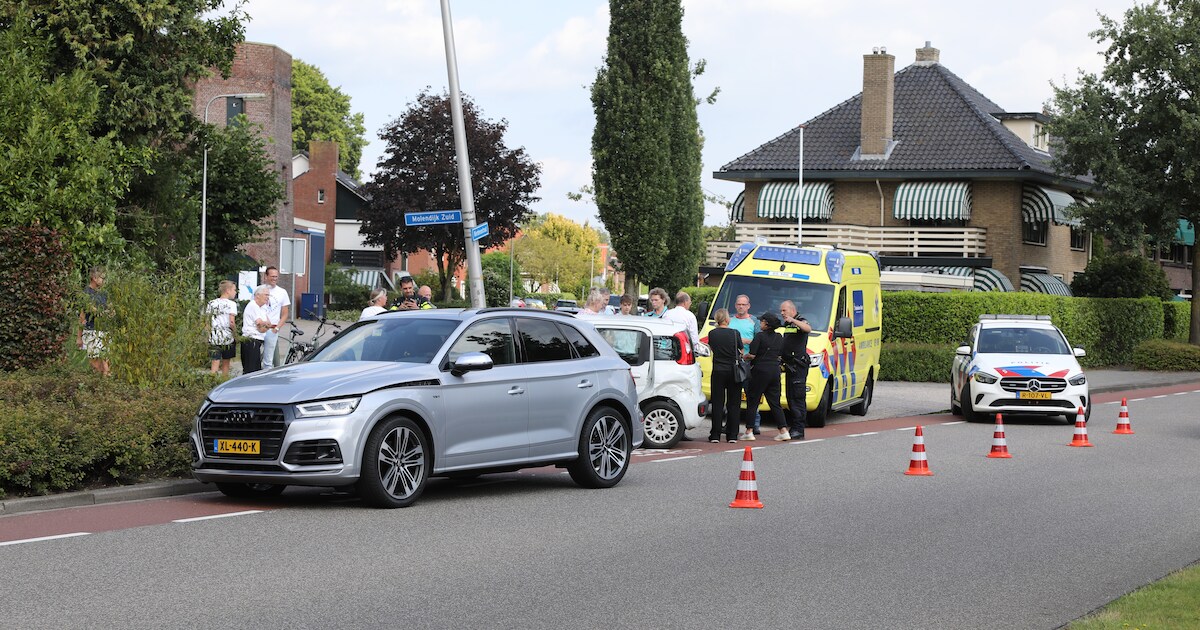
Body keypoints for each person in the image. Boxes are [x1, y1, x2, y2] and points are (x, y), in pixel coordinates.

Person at [740, 311, 789, 441]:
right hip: (775, 371)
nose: (760, 323)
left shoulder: (760, 336)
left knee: (753, 401)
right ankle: (783, 430)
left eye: (761, 321)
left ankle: (749, 431)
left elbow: (752, 354)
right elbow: (780, 353)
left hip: (760, 371)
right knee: (775, 402)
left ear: (766, 324)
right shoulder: (779, 337)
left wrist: (744, 357)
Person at [707, 308, 743, 443]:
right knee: (734, 403)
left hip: (718, 370)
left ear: (717, 319)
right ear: (727, 319)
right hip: (733, 371)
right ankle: (732, 434)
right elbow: (741, 350)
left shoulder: (712, 333)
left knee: (717, 403)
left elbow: (712, 348)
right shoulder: (735, 333)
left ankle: (715, 434)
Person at [779, 299, 813, 440]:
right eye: (781, 311)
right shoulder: (787, 324)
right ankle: (794, 426)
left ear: (792, 310)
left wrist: (793, 320)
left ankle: (799, 429)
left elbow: (808, 328)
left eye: (784, 310)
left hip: (798, 366)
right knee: (790, 397)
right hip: (789, 365)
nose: (782, 313)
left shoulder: (800, 320)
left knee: (798, 398)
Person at [728, 294, 760, 434]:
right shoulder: (729, 320)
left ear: (748, 306)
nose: (741, 307)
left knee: (751, 394)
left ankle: (754, 424)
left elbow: (760, 341)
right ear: (735, 305)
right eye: (739, 304)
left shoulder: (754, 321)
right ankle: (730, 424)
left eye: (743, 304)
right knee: (732, 396)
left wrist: (747, 341)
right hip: (732, 362)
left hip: (748, 363)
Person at [77, 266, 110, 376]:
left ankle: (106, 383)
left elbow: (111, 310)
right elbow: (84, 315)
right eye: (102, 278)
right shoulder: (86, 294)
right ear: (94, 278)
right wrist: (79, 337)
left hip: (104, 331)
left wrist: (108, 312)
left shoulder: (104, 293)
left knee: (106, 364)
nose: (104, 280)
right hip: (91, 331)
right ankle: (98, 383)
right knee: (96, 364)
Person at [260, 266, 290, 369]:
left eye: (276, 276)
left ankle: (266, 376)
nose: (274, 279)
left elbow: (285, 313)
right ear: (266, 276)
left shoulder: (282, 292)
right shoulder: (258, 290)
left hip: (272, 329)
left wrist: (277, 328)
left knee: (268, 360)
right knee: (255, 357)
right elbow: (253, 308)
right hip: (259, 328)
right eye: (272, 276)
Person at [206, 280, 238, 375]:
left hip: (214, 337)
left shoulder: (211, 303)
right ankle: (224, 379)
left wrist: (208, 335)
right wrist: (235, 334)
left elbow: (207, 322)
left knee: (215, 362)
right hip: (227, 337)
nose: (235, 292)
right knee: (226, 362)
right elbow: (231, 322)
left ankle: (212, 379)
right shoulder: (232, 304)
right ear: (228, 290)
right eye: (234, 290)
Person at [241, 285, 272, 373]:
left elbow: (267, 324)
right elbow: (259, 324)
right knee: (251, 370)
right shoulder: (253, 305)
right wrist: (266, 325)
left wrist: (265, 325)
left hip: (257, 341)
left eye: (268, 295)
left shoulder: (262, 308)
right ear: (258, 295)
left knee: (256, 369)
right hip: (251, 340)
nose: (268, 297)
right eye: (266, 295)